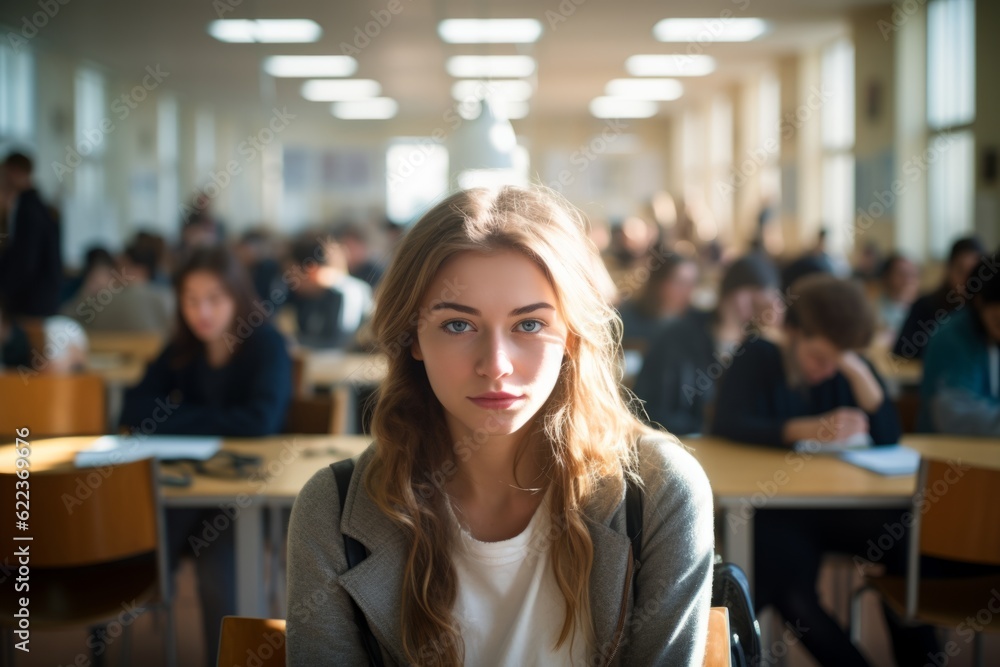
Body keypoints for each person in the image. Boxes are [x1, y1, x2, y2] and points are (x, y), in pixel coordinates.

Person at [286, 186, 714, 666]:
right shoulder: (333, 508)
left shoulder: (657, 493)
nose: (495, 365)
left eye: (529, 325)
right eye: (457, 325)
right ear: (413, 337)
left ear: (571, 336)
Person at [710, 274, 939, 667]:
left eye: (838, 362)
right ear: (793, 333)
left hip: (835, 507)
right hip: (775, 508)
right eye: (818, 358)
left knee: (905, 539)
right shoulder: (759, 356)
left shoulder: (844, 366)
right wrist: (800, 429)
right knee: (785, 575)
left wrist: (856, 368)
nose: (826, 371)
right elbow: (727, 424)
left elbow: (887, 435)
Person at [119, 246, 292, 665]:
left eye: (215, 298)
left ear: (237, 296)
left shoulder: (266, 344)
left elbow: (258, 422)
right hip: (186, 487)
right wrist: (214, 419)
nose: (203, 312)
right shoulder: (183, 346)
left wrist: (175, 416)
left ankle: (226, 654)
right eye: (191, 300)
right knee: (132, 528)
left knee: (216, 558)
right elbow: (131, 409)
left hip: (245, 490)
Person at [633, 254, 780, 435]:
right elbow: (652, 409)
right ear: (731, 289)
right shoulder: (679, 336)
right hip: (685, 442)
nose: (754, 306)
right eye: (749, 294)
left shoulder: (760, 347)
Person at [919, 251, 1000, 434]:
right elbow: (953, 417)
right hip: (948, 453)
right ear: (979, 303)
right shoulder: (953, 338)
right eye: (997, 321)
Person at [893, 236, 984, 359]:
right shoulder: (926, 306)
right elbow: (903, 349)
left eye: (974, 273)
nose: (968, 280)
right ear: (949, 270)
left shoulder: (986, 311)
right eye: (961, 271)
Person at [62, 241, 174, 334]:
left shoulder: (104, 298)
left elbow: (65, 319)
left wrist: (88, 290)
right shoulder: (167, 297)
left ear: (136, 270)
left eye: (119, 266)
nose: (114, 273)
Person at [0, 152, 63, 318]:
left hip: (31, 302)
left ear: (14, 172)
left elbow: (25, 261)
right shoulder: (41, 207)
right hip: (42, 298)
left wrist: (6, 291)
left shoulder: (27, 210)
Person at [287, 233, 373, 349]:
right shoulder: (310, 296)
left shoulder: (350, 293)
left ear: (311, 270)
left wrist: (294, 343)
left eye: (292, 276)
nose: (290, 283)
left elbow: (340, 344)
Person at [616, 251, 698, 351]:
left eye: (691, 284)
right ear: (659, 283)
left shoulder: (697, 325)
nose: (686, 291)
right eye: (680, 282)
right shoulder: (627, 319)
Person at [873, 253, 920, 345]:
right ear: (887, 276)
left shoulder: (921, 309)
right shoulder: (872, 309)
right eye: (901, 274)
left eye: (912, 275)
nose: (908, 280)